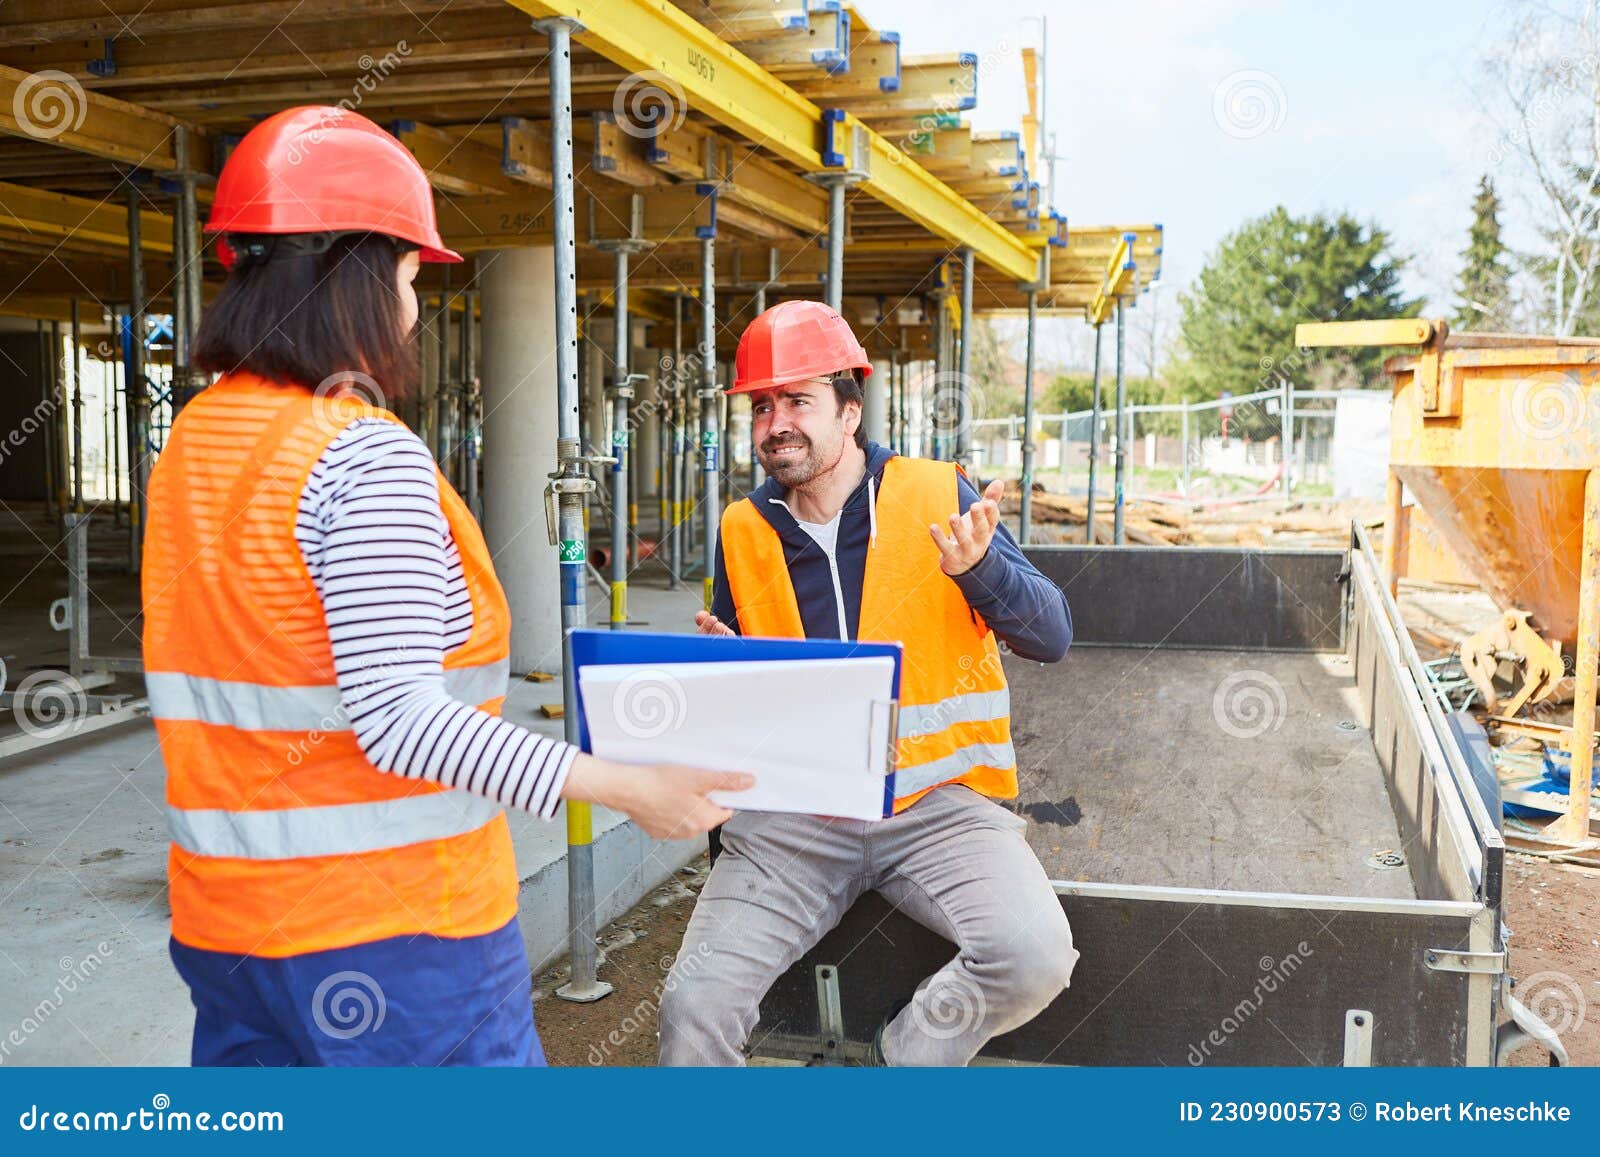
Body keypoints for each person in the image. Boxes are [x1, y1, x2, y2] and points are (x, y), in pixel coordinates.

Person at [141, 105, 749, 1068]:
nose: (415, 308)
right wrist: (629, 787)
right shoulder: (360, 456)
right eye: (411, 275)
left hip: (232, 929)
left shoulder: (195, 442)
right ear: (355, 274)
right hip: (397, 936)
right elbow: (401, 720)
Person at [657, 299, 1078, 1067]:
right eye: (761, 405)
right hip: (795, 814)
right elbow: (747, 695)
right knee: (693, 1004)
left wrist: (980, 572)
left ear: (850, 411)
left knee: (1035, 954)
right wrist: (727, 679)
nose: (776, 421)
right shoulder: (742, 529)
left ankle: (900, 1060)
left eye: (798, 400)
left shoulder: (936, 495)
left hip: (937, 805)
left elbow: (1052, 634)